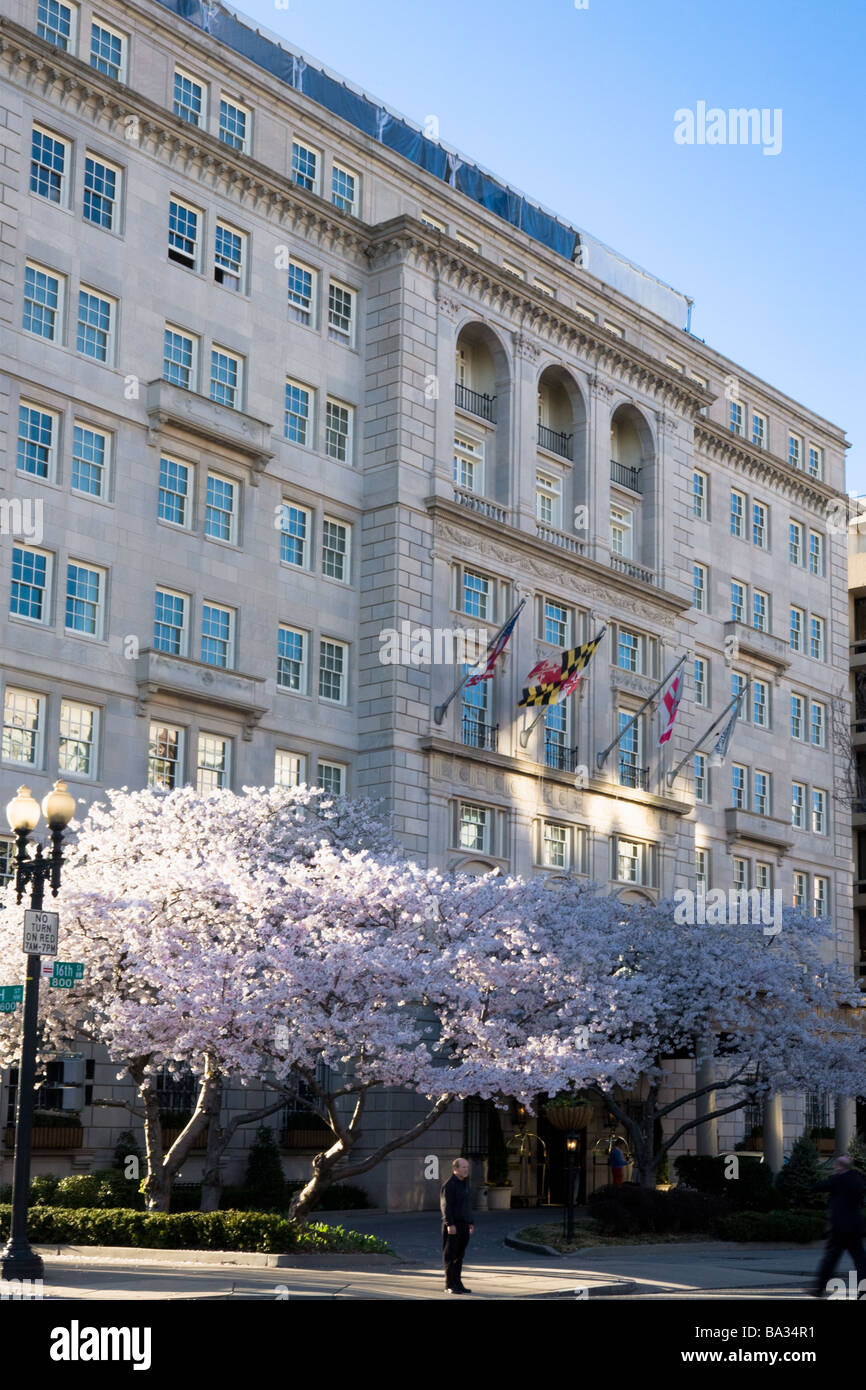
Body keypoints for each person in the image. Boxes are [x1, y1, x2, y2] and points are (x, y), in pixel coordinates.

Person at [811, 1155, 866, 1298]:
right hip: (856, 1226)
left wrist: (832, 1176)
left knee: (830, 1259)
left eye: (836, 1166)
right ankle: (864, 1289)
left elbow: (816, 1187)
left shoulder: (838, 1179)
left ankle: (819, 1288)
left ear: (839, 1166)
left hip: (839, 1228)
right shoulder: (858, 1179)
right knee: (860, 1259)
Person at [440, 1156, 474, 1294]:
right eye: (463, 1167)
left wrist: (471, 1222)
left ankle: (458, 1283)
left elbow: (467, 1206)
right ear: (455, 1169)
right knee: (450, 1255)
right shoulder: (449, 1185)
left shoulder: (465, 1183)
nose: (466, 1170)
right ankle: (449, 1285)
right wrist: (450, 1224)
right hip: (453, 1226)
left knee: (459, 1256)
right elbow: (446, 1206)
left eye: (467, 1167)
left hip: (464, 1225)